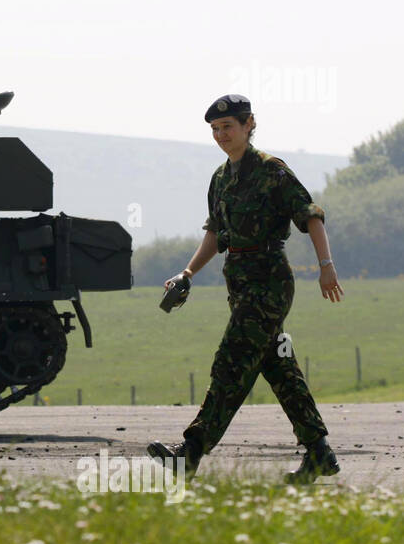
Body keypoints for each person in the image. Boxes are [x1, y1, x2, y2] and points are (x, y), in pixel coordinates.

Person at [146, 94, 344, 484]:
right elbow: (215, 234)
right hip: (239, 281)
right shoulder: (220, 179)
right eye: (215, 130)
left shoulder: (272, 171)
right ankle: (319, 451)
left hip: (269, 280)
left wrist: (326, 267)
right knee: (279, 366)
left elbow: (311, 216)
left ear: (249, 124)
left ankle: (190, 452)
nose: (221, 135)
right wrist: (187, 273)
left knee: (231, 362)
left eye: (228, 127)